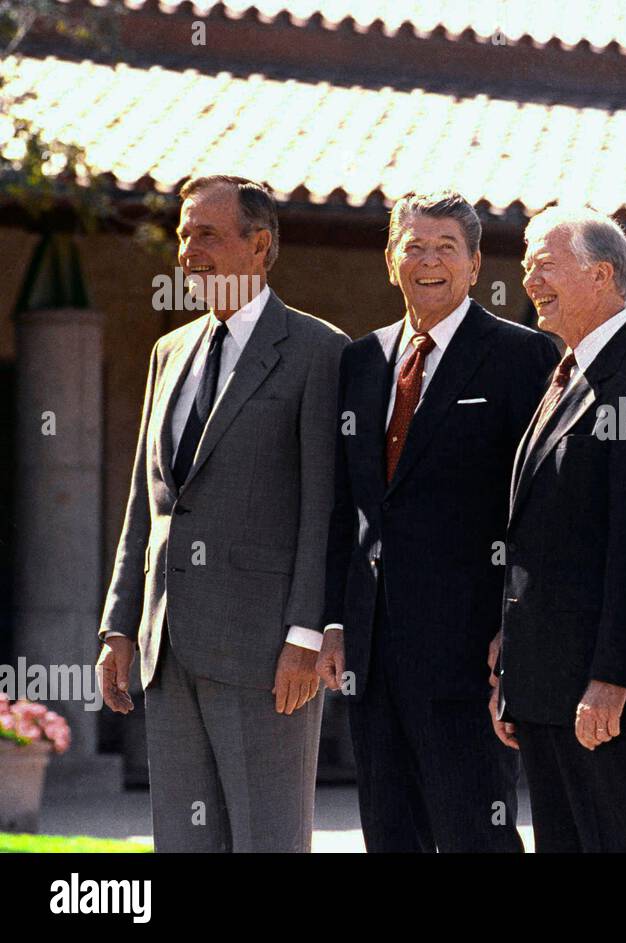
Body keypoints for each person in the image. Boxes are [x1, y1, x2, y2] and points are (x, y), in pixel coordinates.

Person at [97, 175, 348, 852]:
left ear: (260, 245)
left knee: (267, 838)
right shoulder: (167, 352)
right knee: (182, 842)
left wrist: (305, 632)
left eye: (206, 234)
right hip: (167, 646)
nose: (188, 252)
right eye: (183, 235)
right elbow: (145, 508)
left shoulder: (319, 351)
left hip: (267, 652)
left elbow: (326, 505)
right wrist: (119, 625)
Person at [317, 191, 556, 852]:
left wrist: (516, 629)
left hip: (469, 655)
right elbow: (348, 502)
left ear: (476, 264)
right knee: (390, 834)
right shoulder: (360, 363)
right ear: (390, 260)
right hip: (371, 653)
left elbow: (538, 513)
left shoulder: (522, 358)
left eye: (446, 248)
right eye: (413, 247)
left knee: (476, 832)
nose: (428, 262)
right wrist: (334, 620)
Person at [490, 206, 626, 852]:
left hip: (605, 700)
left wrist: (612, 680)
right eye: (525, 266)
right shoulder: (562, 377)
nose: (530, 281)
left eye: (545, 264)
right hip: (547, 691)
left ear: (602, 274)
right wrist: (513, 669)